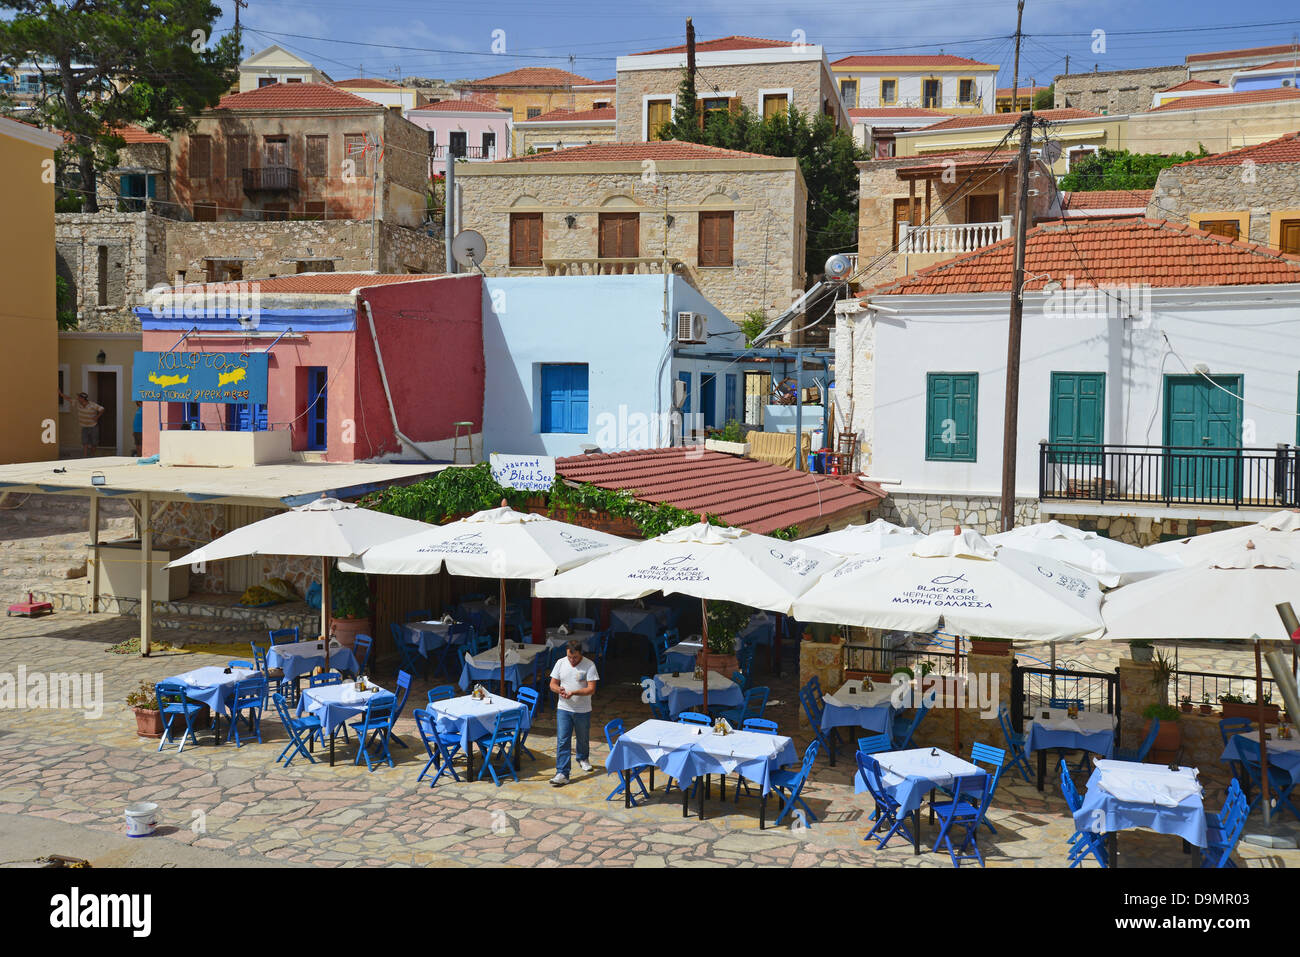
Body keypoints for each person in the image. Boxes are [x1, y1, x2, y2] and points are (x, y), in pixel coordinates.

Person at [548, 638, 599, 786]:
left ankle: (583, 757)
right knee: (563, 740)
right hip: (564, 708)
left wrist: (574, 692)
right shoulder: (560, 663)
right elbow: (552, 684)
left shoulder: (589, 665)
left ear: (581, 654)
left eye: (575, 657)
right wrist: (560, 690)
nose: (572, 660)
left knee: (582, 737)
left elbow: (591, 689)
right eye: (569, 656)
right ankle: (562, 773)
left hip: (582, 709)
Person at [60, 390, 104, 457]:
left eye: (79, 397)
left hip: (93, 426)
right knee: (85, 442)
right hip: (84, 426)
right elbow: (69, 399)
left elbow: (102, 409)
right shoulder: (77, 403)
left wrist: (96, 417)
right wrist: (60, 394)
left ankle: (92, 456)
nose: (77, 398)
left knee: (94, 442)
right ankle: (85, 456)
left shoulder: (92, 405)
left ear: (83, 398)